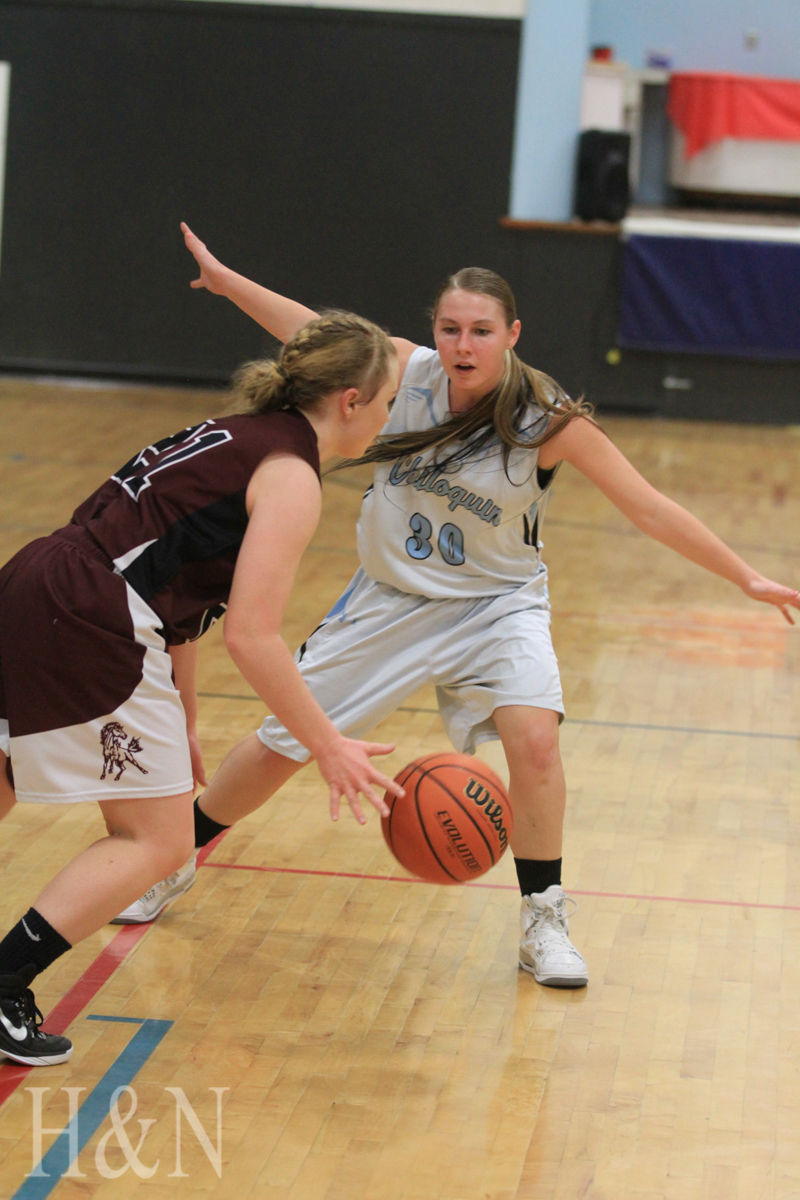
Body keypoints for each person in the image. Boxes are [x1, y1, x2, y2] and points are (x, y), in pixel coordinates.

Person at [118, 222, 800, 991]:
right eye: (450, 328)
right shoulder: (403, 374)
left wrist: (744, 577)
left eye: (480, 330)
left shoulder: (548, 421)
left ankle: (544, 914)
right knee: (281, 747)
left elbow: (648, 508)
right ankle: (173, 862)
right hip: (388, 600)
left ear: (511, 334)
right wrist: (226, 279)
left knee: (535, 742)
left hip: (496, 606)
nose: (462, 344)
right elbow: (307, 330)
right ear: (434, 331)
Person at [0, 306, 403, 1066]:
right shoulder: (291, 478)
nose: (386, 420)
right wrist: (327, 746)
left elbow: (177, 591)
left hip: (37, 581)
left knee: (5, 777)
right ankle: (4, 981)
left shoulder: (233, 433)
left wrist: (181, 717)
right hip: (92, 619)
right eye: (385, 403)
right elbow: (253, 634)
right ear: (351, 401)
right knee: (159, 839)